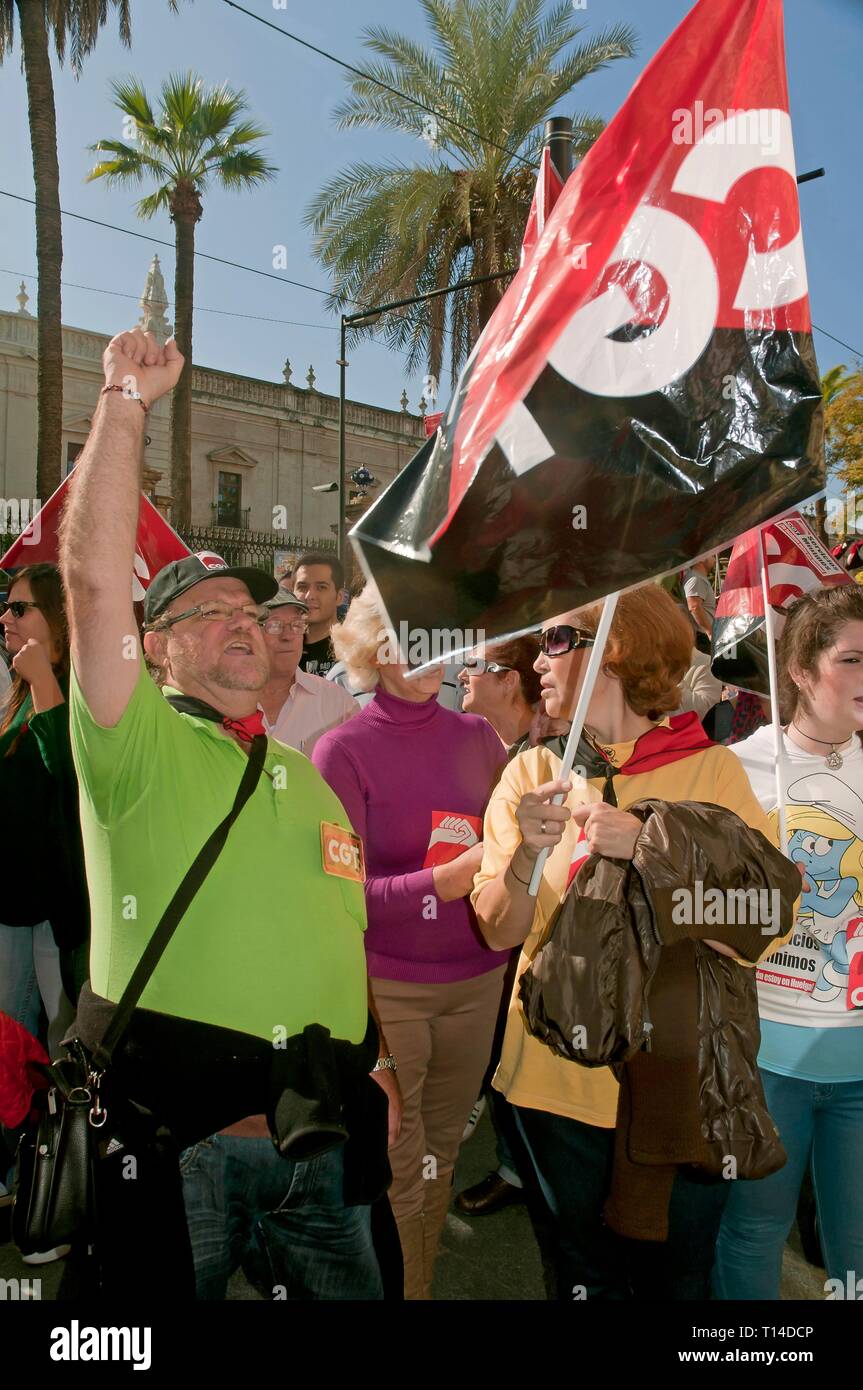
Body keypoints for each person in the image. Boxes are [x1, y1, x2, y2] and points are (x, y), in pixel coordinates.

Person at [57, 326, 392, 1299]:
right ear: (154, 650)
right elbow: (88, 582)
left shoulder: (307, 773)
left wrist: (377, 1063)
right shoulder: (133, 745)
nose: (241, 620)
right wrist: (126, 401)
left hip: (317, 1148)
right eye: (206, 612)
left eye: (250, 610)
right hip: (180, 1153)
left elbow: (343, 926)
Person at [471, 585, 797, 1300]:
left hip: (680, 1081)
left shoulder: (712, 771)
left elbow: (758, 929)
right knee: (580, 1278)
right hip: (550, 1083)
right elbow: (497, 928)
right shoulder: (531, 774)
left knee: (675, 1283)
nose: (536, 662)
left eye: (557, 640)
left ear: (614, 650)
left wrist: (652, 846)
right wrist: (526, 852)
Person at [312, 585, 509, 1299]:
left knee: (442, 1155)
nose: (435, 655)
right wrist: (437, 884)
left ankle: (416, 1281)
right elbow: (336, 898)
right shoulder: (340, 750)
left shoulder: (480, 738)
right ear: (373, 651)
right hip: (386, 987)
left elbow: (508, 856)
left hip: (478, 981)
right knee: (399, 1160)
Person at [713, 584, 863, 1299]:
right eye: (851, 660)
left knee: (855, 1250)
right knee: (752, 1235)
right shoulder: (738, 768)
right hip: (767, 1056)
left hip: (859, 1059)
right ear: (799, 671)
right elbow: (701, 918)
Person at [455, 637, 542, 1216]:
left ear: (508, 679)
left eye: (474, 667)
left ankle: (522, 1168)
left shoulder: (549, 753)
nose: (461, 675)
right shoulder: (497, 746)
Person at [0, 564, 88, 1056]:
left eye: (19, 608)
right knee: (12, 1038)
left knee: (61, 1044)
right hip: (13, 903)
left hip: (56, 911)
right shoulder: (19, 691)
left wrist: (40, 680)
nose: (5, 618)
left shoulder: (82, 687)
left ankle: (57, 1134)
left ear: (56, 617)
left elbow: (72, 773)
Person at [258, 589, 355, 756]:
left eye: (296, 625)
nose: (288, 636)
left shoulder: (339, 704)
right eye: (274, 625)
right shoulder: (223, 702)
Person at [292, 552, 345, 677]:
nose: (309, 596)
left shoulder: (355, 649)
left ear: (339, 597)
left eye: (321, 587)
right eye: (302, 587)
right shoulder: (284, 647)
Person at [683, 558, 717, 652]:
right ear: (702, 558)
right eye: (712, 555)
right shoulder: (695, 578)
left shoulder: (697, 577)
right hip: (704, 637)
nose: (714, 559)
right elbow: (694, 607)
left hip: (704, 635)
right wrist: (709, 632)